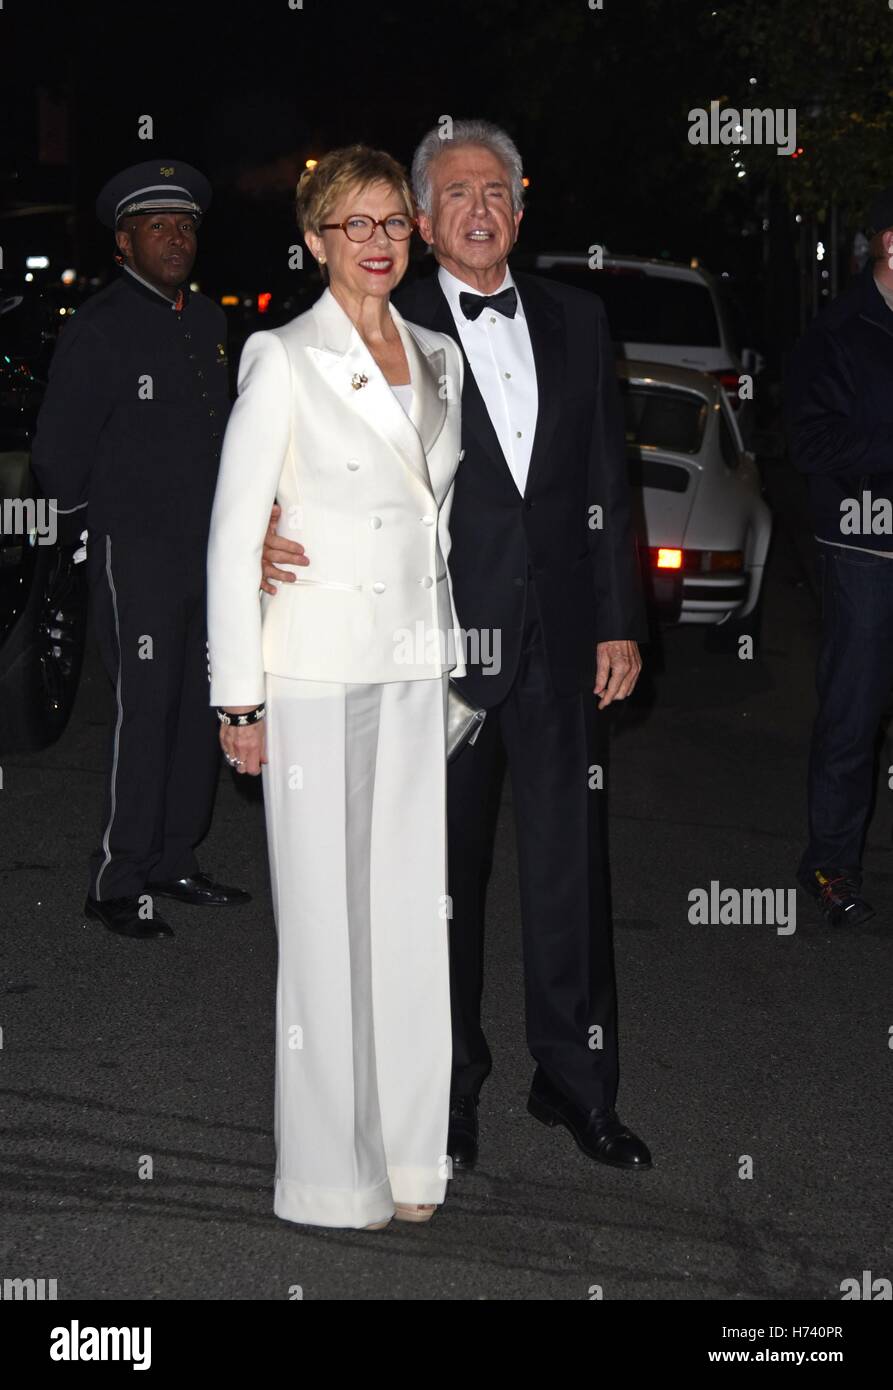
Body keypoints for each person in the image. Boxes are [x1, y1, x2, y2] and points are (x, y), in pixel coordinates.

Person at [262, 120, 652, 1174]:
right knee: (440, 884)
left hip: (566, 640)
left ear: (520, 210)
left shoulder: (579, 317)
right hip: (432, 645)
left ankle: (575, 1084)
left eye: (499, 191)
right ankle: (446, 1089)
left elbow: (605, 485)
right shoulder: (379, 317)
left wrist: (619, 616)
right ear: (425, 223)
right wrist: (265, 526)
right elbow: (305, 438)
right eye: (457, 195)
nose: (480, 209)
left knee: (570, 871)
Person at [206, 145, 466, 1229]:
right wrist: (239, 698)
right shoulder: (282, 354)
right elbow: (231, 537)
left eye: (391, 224)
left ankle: (410, 1158)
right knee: (323, 929)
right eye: (350, 225)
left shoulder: (437, 353)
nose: (375, 242)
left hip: (414, 663)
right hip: (311, 666)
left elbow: (444, 519)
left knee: (409, 921)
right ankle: (326, 1176)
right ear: (314, 240)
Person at [32, 159, 248, 940]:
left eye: (185, 224)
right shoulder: (101, 325)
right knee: (144, 710)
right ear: (124, 241)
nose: (176, 237)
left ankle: (172, 860)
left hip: (210, 551)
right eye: (158, 225)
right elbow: (58, 451)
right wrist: (92, 534)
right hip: (138, 553)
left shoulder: (210, 321)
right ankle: (117, 879)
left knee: (201, 706)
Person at [787, 187, 893, 928]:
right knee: (854, 716)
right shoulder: (836, 333)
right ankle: (831, 865)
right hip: (864, 548)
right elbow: (811, 445)